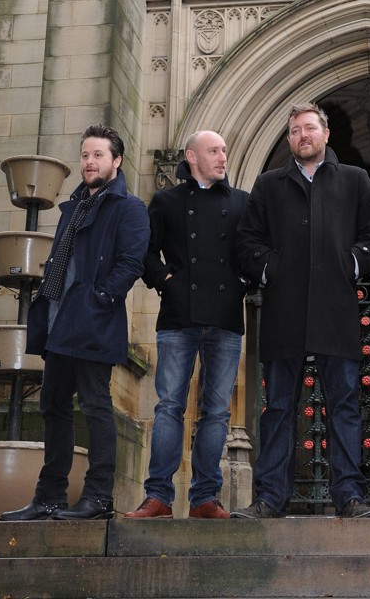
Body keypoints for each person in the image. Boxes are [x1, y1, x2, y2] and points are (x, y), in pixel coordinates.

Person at [231, 102, 370, 519]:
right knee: (278, 408)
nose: (303, 135)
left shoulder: (354, 180)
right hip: (284, 314)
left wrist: (348, 263)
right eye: (295, 131)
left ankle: (349, 496)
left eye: (310, 128)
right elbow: (247, 241)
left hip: (337, 313)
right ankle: (270, 498)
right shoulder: (268, 184)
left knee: (345, 406)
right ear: (289, 139)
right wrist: (272, 269)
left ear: (326, 134)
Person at [0, 124, 149, 521]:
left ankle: (98, 497)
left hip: (94, 321)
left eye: (98, 155)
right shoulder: (74, 206)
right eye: (85, 155)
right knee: (52, 404)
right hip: (60, 319)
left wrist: (101, 299)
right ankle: (49, 497)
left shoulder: (129, 208)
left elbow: (131, 263)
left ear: (116, 161)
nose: (89, 162)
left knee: (96, 405)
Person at [125, 131, 248, 520]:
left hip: (225, 318)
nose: (223, 157)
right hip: (179, 317)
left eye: (224, 151)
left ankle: (205, 498)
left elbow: (256, 249)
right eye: (214, 151)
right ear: (191, 156)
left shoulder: (242, 202)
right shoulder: (167, 201)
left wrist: (245, 282)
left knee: (217, 412)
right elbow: (144, 251)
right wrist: (167, 282)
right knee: (169, 407)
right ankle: (158, 496)